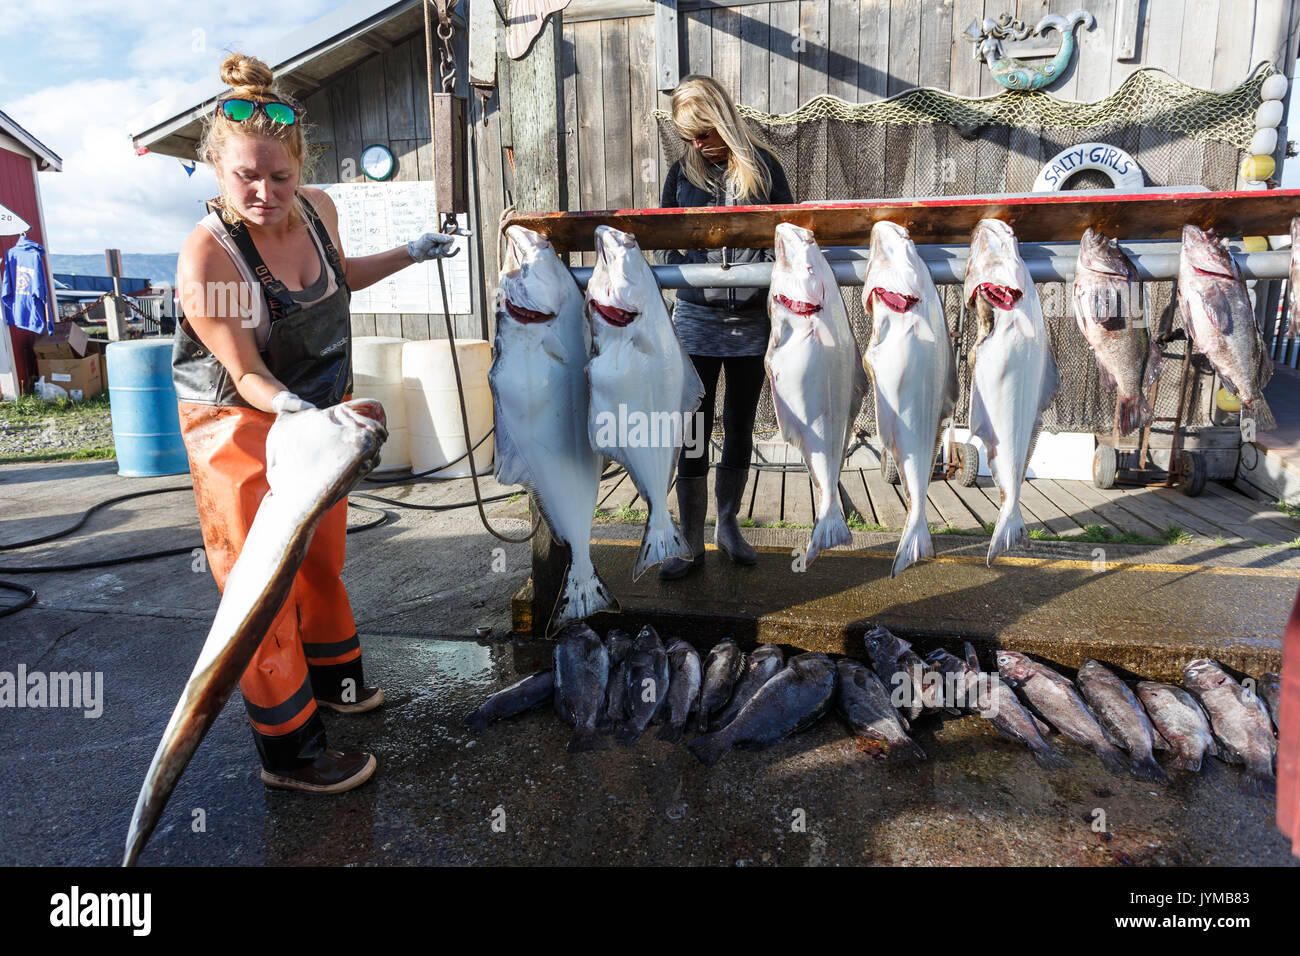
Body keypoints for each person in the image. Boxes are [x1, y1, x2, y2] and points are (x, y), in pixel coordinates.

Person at [171, 53, 461, 793]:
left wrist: (410, 252)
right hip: (238, 421)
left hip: (316, 410)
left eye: (280, 176)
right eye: (246, 177)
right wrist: (300, 414)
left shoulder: (318, 210)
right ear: (216, 168)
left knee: (322, 558)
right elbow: (247, 374)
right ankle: (290, 751)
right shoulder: (211, 255)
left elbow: (341, 274)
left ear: (301, 170)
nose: (264, 193)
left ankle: (334, 678)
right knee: (260, 587)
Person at [655, 75, 794, 580]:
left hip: (752, 323)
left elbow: (788, 234)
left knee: (738, 426)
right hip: (695, 320)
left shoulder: (763, 168)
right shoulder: (680, 175)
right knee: (691, 430)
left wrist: (754, 271)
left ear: (725, 120)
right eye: (689, 136)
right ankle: (690, 539)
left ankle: (728, 523)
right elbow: (665, 242)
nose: (698, 145)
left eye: (705, 132)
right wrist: (695, 263)